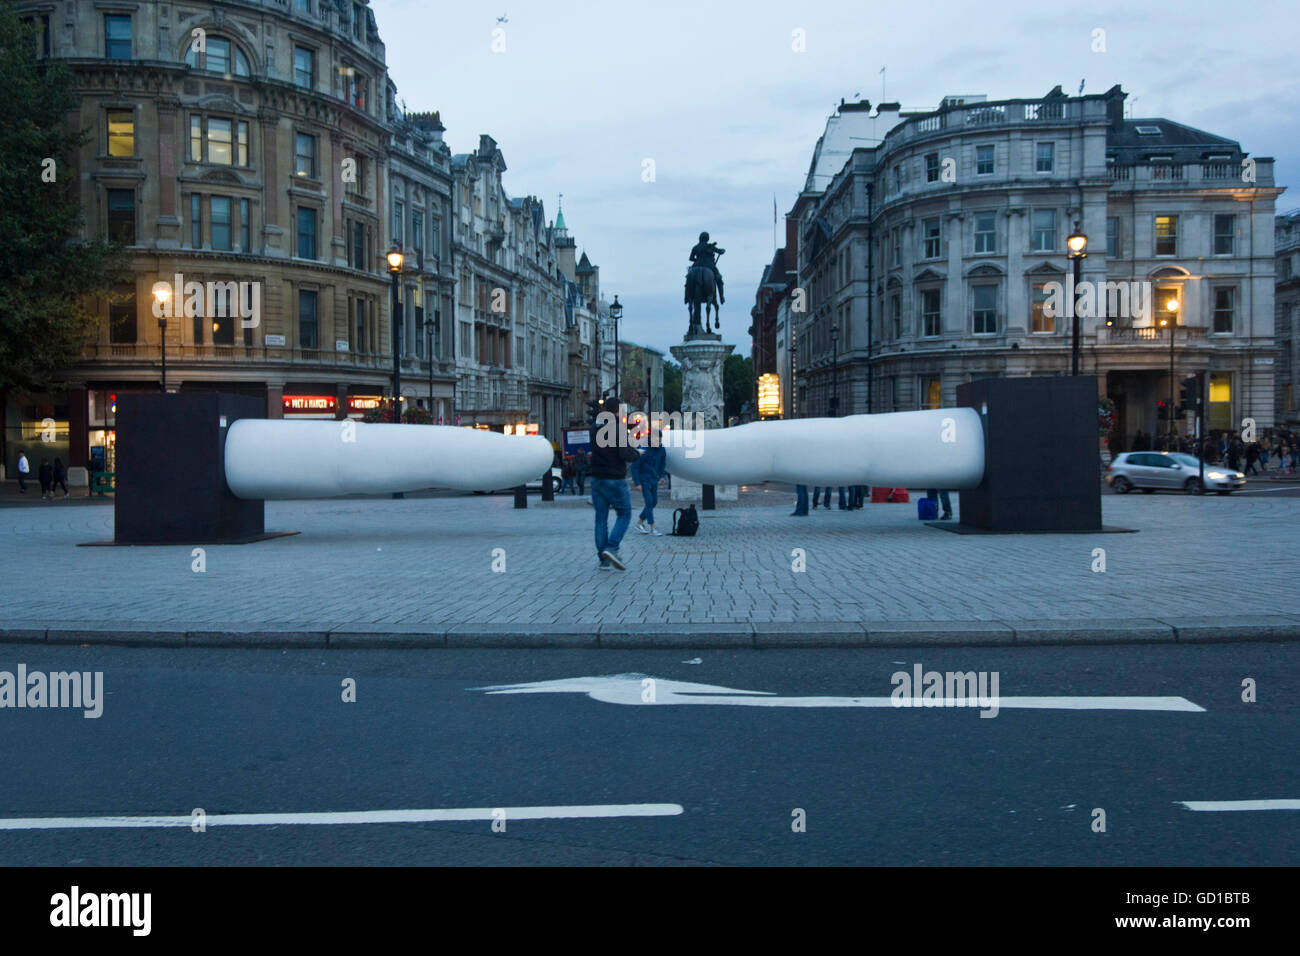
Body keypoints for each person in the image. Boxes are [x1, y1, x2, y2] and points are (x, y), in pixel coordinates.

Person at [589, 400, 640, 570]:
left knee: (600, 518)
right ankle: (612, 547)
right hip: (614, 477)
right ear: (618, 411)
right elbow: (624, 453)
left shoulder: (594, 428)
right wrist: (637, 453)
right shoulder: (618, 428)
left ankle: (603, 559)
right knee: (624, 513)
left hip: (596, 477)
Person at [633, 429, 667, 535]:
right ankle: (653, 528)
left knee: (654, 502)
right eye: (657, 440)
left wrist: (662, 476)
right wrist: (637, 483)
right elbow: (634, 467)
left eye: (660, 440)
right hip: (644, 480)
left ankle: (639, 523)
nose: (659, 443)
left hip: (654, 480)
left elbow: (662, 464)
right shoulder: (643, 450)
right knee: (649, 502)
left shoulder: (662, 450)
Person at [688, 231, 725, 304]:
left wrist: (698, 260)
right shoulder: (710, 246)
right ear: (707, 238)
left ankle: (687, 296)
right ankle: (721, 297)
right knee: (719, 279)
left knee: (688, 279)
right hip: (709, 266)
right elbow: (720, 251)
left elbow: (691, 258)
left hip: (696, 266)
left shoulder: (695, 247)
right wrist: (722, 250)